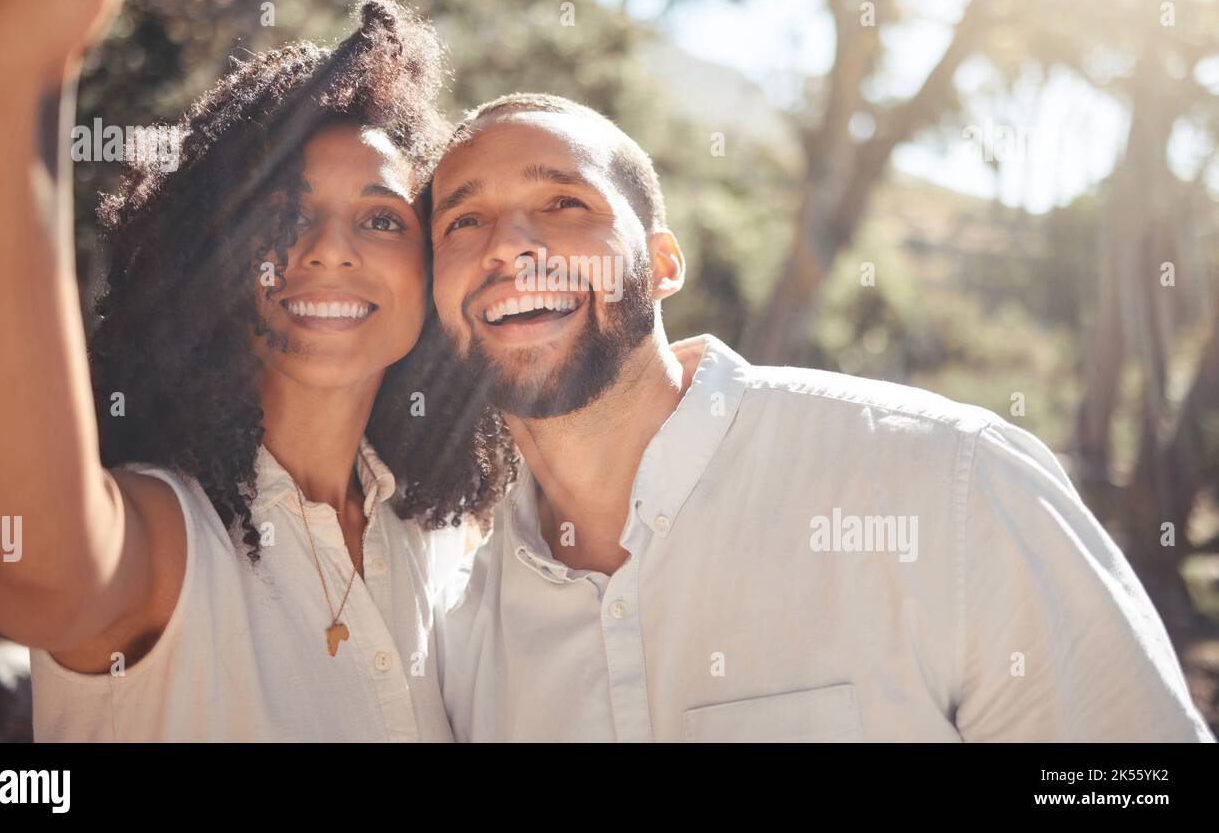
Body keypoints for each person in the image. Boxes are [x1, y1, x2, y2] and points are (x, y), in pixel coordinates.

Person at [0, 0, 508, 742]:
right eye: (285, 211)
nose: (330, 247)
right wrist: (6, 69)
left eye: (382, 217)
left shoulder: (448, 543)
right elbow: (34, 565)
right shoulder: (165, 544)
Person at [428, 92, 1216, 742]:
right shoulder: (460, 632)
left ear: (664, 265)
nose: (510, 245)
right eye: (463, 222)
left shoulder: (947, 482)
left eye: (564, 201)